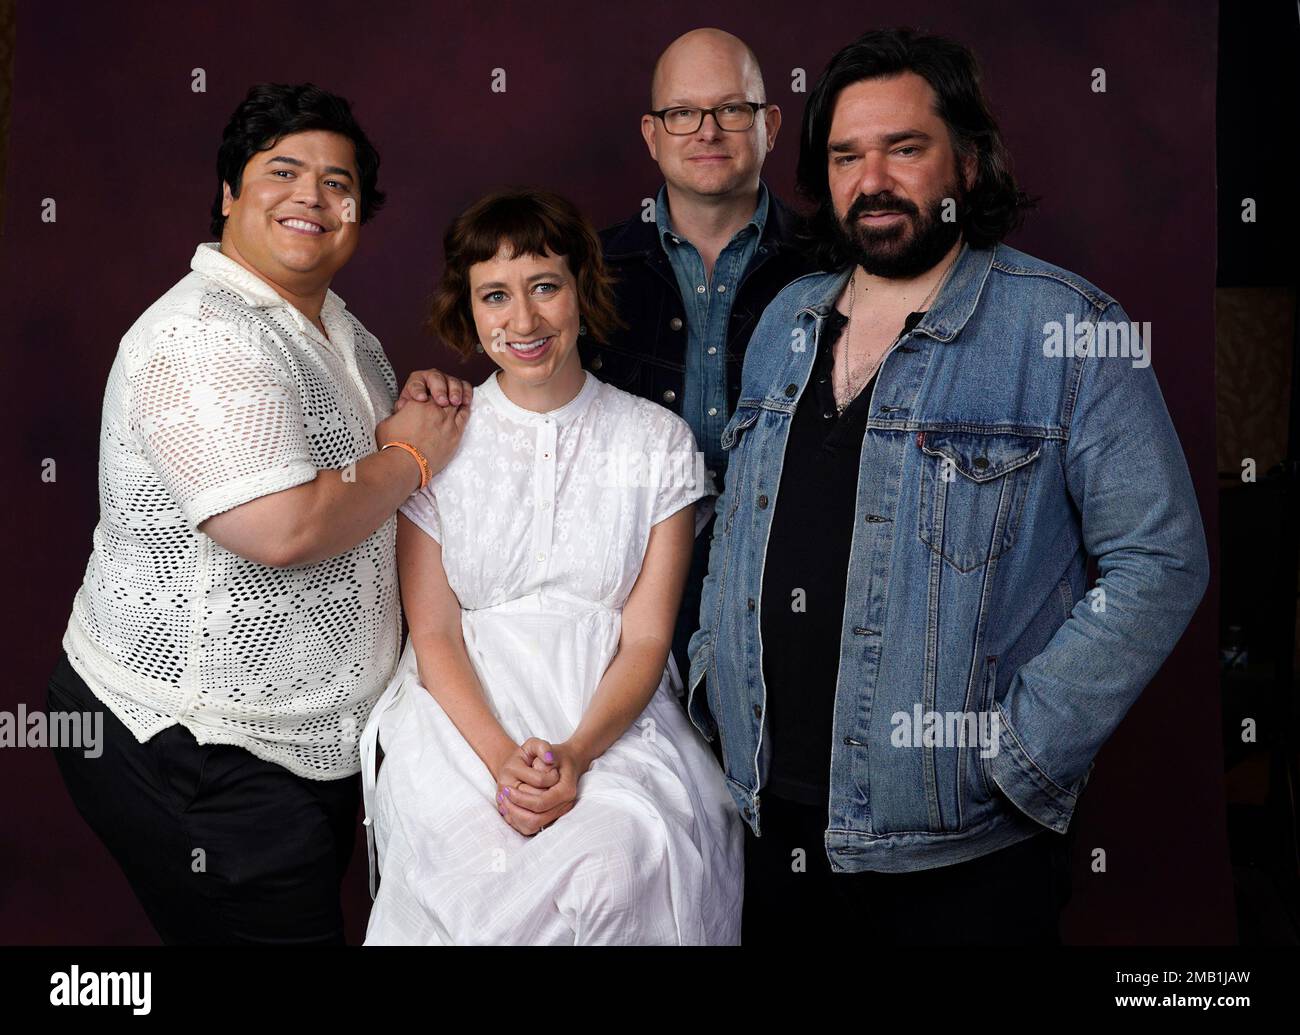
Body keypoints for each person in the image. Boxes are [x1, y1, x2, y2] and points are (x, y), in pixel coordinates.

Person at [686, 28, 1210, 944]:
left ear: (967, 160)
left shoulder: (1070, 328)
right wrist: (706, 678)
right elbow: (732, 512)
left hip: (961, 852)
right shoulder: (784, 321)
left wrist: (1020, 753)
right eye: (847, 155)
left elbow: (1160, 558)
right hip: (772, 824)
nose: (872, 178)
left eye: (905, 147)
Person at [46, 82, 463, 945]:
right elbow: (283, 527)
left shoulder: (332, 328)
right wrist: (414, 454)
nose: (312, 195)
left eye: (338, 183)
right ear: (230, 195)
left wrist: (399, 419)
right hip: (197, 744)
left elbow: (346, 466)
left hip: (304, 740)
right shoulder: (201, 333)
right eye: (283, 171)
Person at [359, 188, 743, 945]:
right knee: (464, 874)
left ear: (582, 288)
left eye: (545, 286)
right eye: (495, 295)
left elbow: (644, 641)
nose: (524, 321)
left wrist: (573, 753)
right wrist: (505, 759)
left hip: (607, 717)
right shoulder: (436, 435)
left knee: (620, 859)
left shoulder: (657, 441)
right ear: (468, 312)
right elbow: (433, 632)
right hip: (462, 715)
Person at [397, 28, 819, 702]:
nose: (707, 131)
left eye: (731, 110)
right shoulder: (592, 271)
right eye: (683, 113)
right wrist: (445, 389)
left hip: (785, 583)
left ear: (769, 123)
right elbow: (534, 382)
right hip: (626, 587)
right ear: (652, 134)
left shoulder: (830, 268)